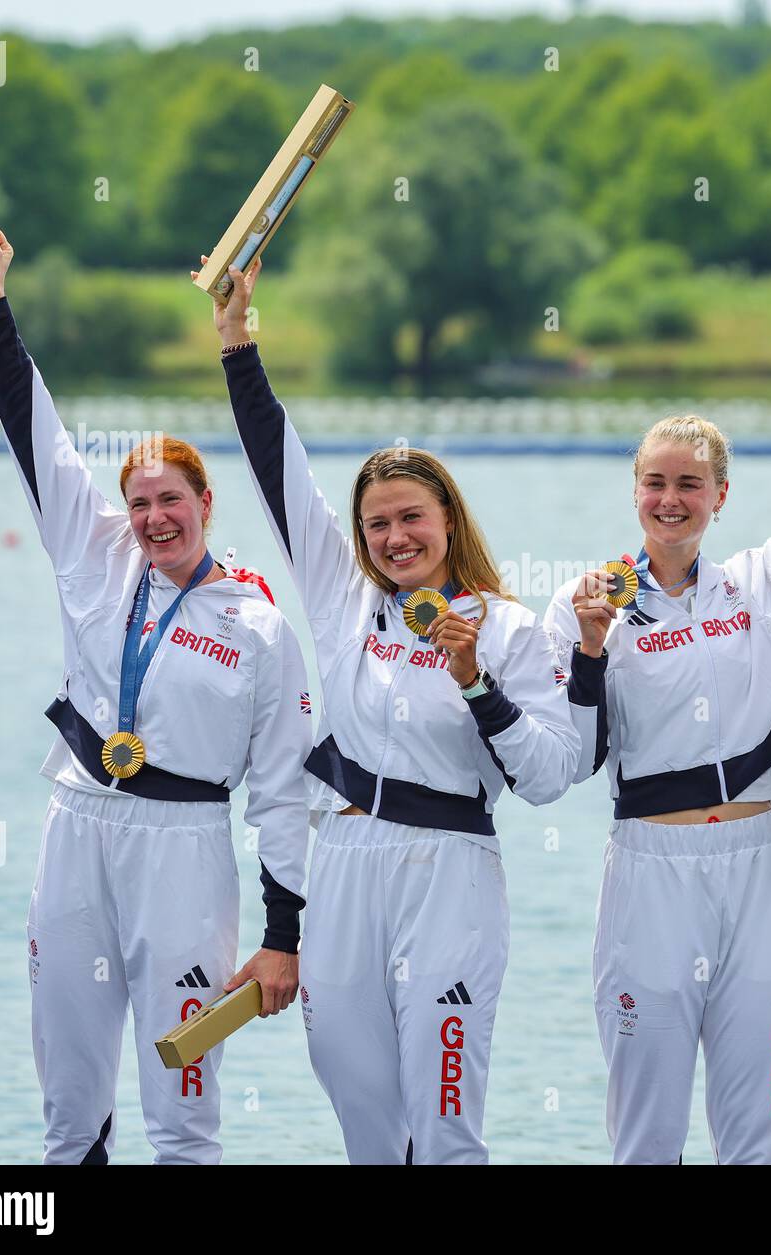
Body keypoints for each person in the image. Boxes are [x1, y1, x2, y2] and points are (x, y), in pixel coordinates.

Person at [200, 257, 579, 1165]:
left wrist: (476, 681)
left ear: (447, 516)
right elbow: (277, 466)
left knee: (444, 1118)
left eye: (411, 517)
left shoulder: (509, 627)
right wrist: (236, 342)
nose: (395, 537)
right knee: (362, 1110)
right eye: (377, 525)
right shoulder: (344, 601)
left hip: (451, 867)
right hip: (346, 866)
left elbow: (552, 777)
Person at [543, 277, 771, 1164]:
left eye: (690, 485)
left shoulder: (764, 579)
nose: (670, 500)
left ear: (721, 496)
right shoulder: (587, 598)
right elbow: (581, 754)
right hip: (650, 869)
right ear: (634, 491)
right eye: (655, 484)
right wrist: (591, 649)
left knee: (760, 1136)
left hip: (756, 861)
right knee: (647, 1137)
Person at [0, 228, 312, 1165]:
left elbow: (284, 792)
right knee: (70, 1104)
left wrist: (284, 933)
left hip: (188, 854)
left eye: (174, 501)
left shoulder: (259, 624)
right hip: (77, 824)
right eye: (141, 501)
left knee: (183, 1112)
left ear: (207, 504)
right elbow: (33, 430)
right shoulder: (95, 551)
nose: (156, 518)